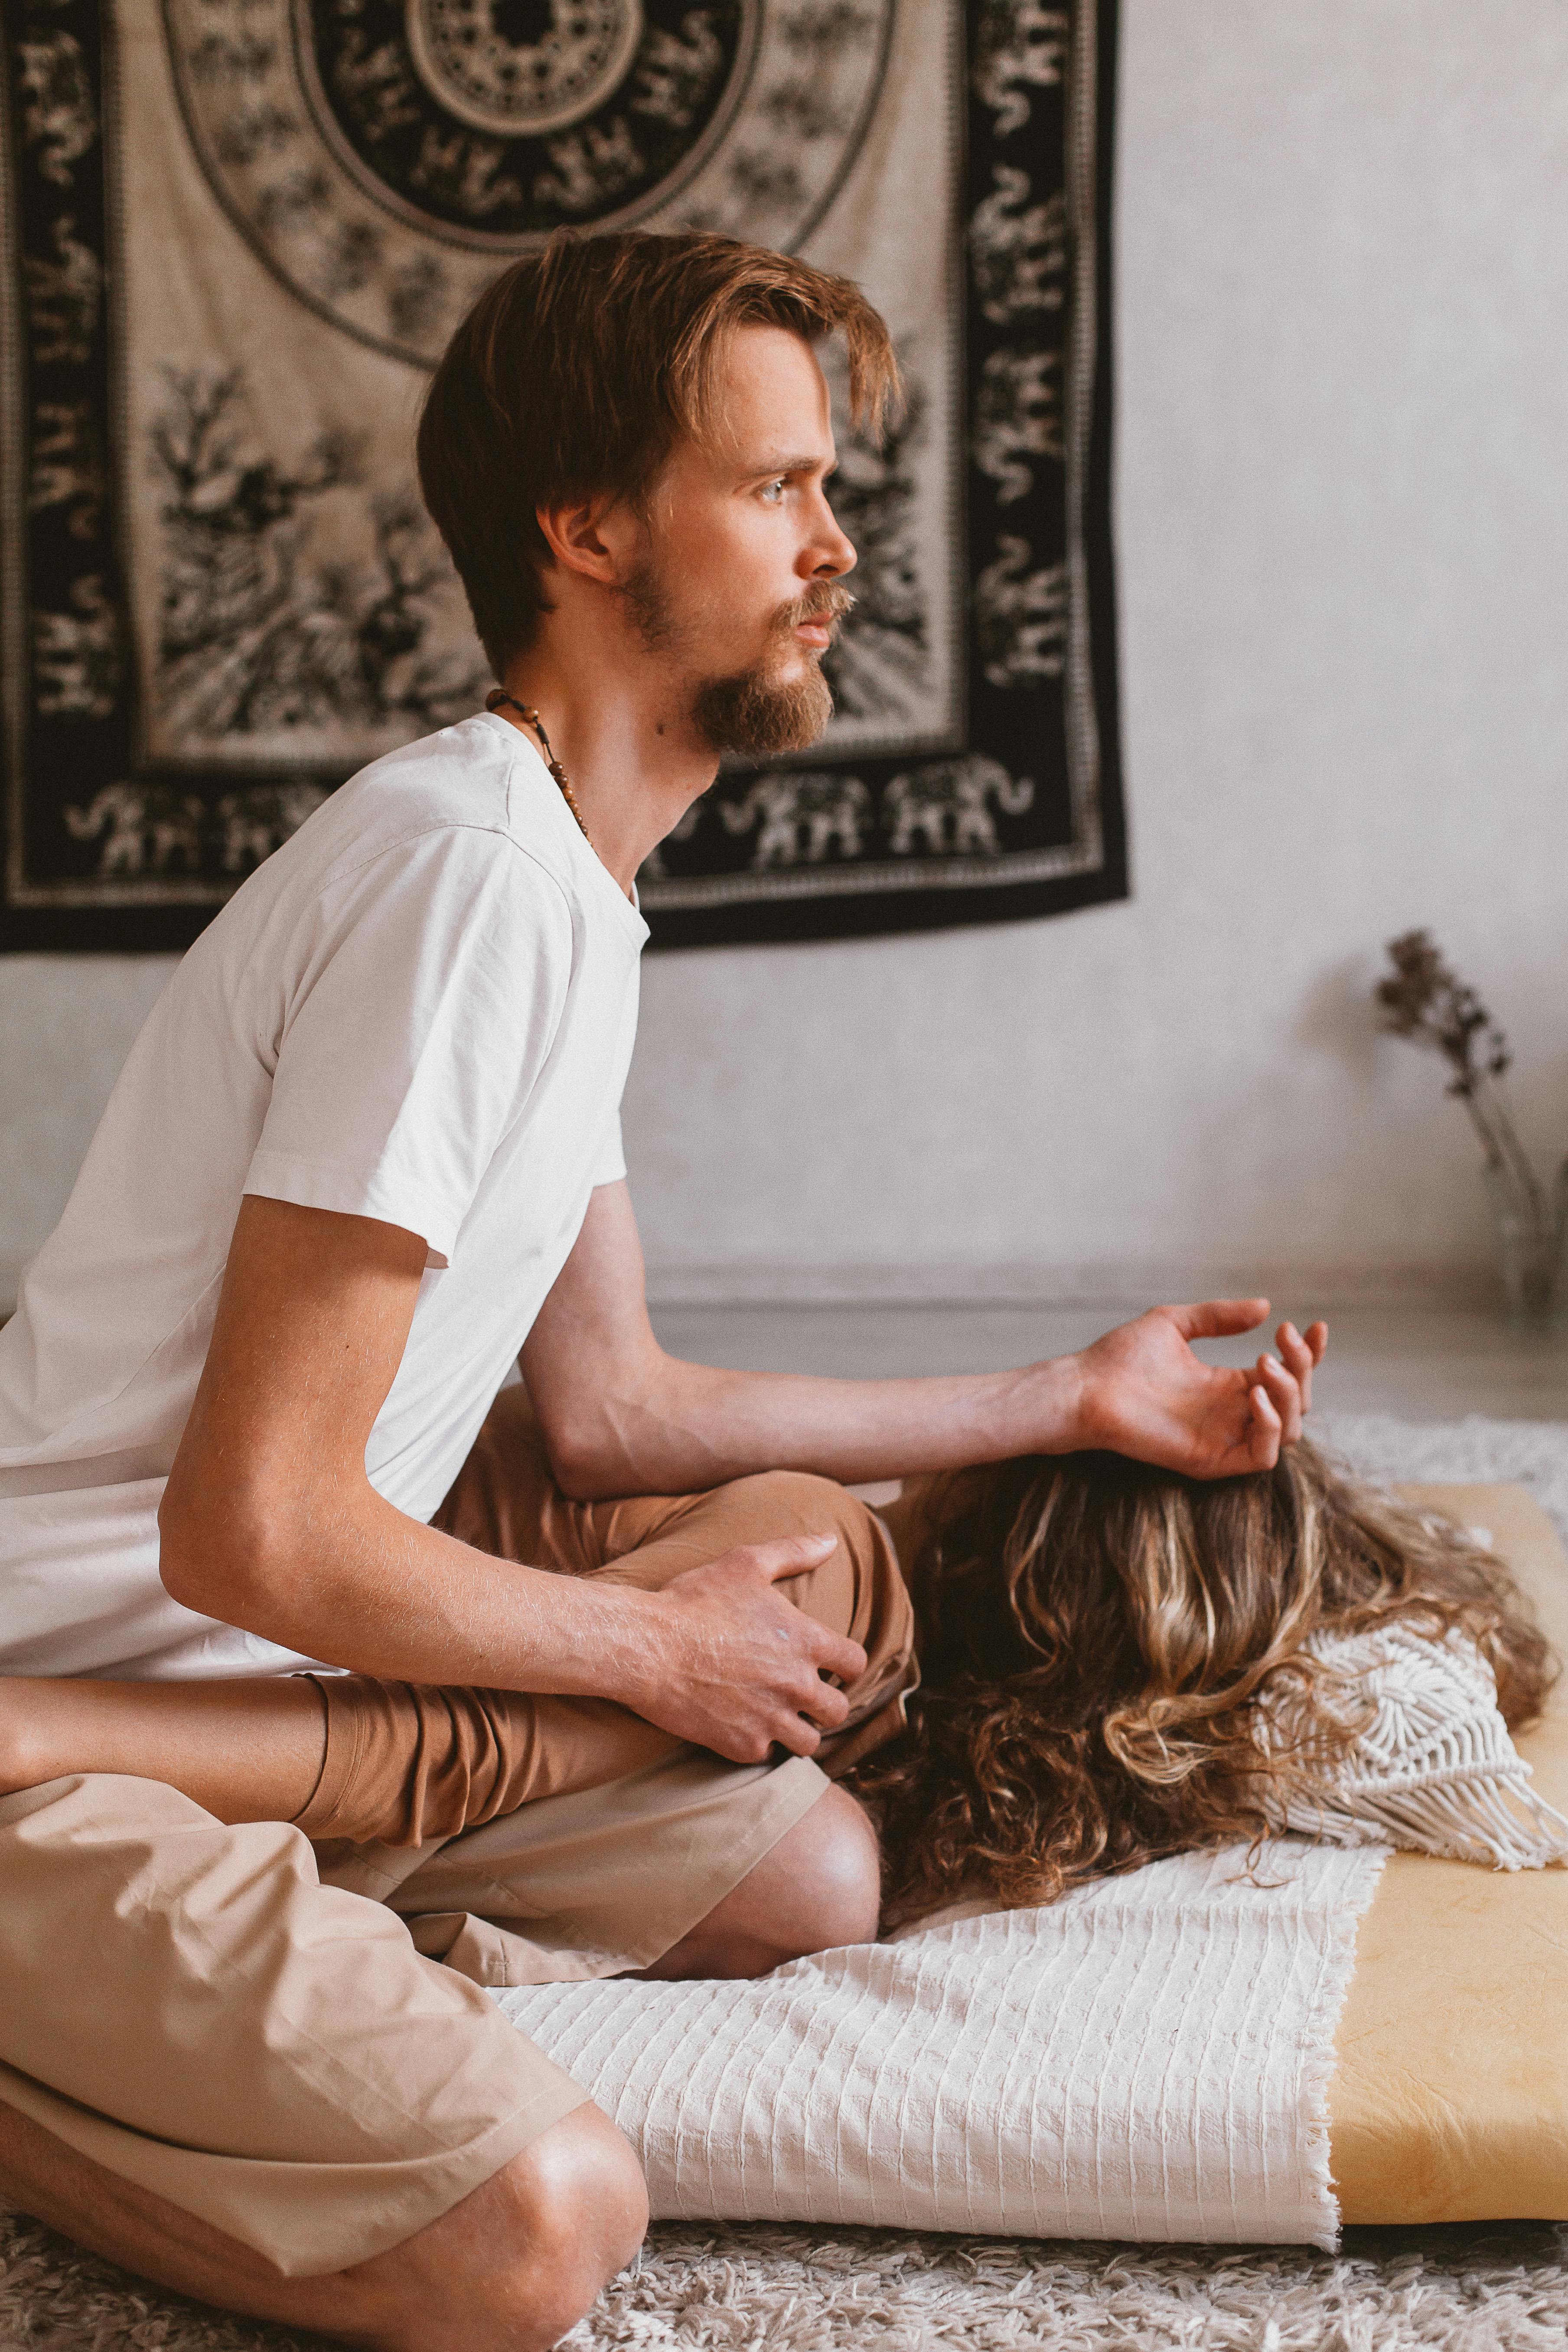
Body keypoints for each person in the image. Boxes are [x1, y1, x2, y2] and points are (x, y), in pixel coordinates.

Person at [0, 230, 1327, 2350]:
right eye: (777, 486)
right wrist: (636, 1648)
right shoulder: (467, 880)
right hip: (78, 1717)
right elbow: (243, 1527)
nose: (836, 546)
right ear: (589, 522)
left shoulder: (565, 889)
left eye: (833, 491)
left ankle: (357, 1819)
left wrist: (1064, 1395)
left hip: (278, 1677)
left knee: (813, 1820)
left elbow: (606, 1408)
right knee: (532, 2221)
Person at [3, 1423, 1542, 1922]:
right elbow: (436, 1746)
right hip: (95, 1587)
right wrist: (33, 1732)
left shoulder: (871, 1633)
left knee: (810, 1861)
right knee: (806, 1870)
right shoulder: (826, 1570)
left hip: (153, 1566)